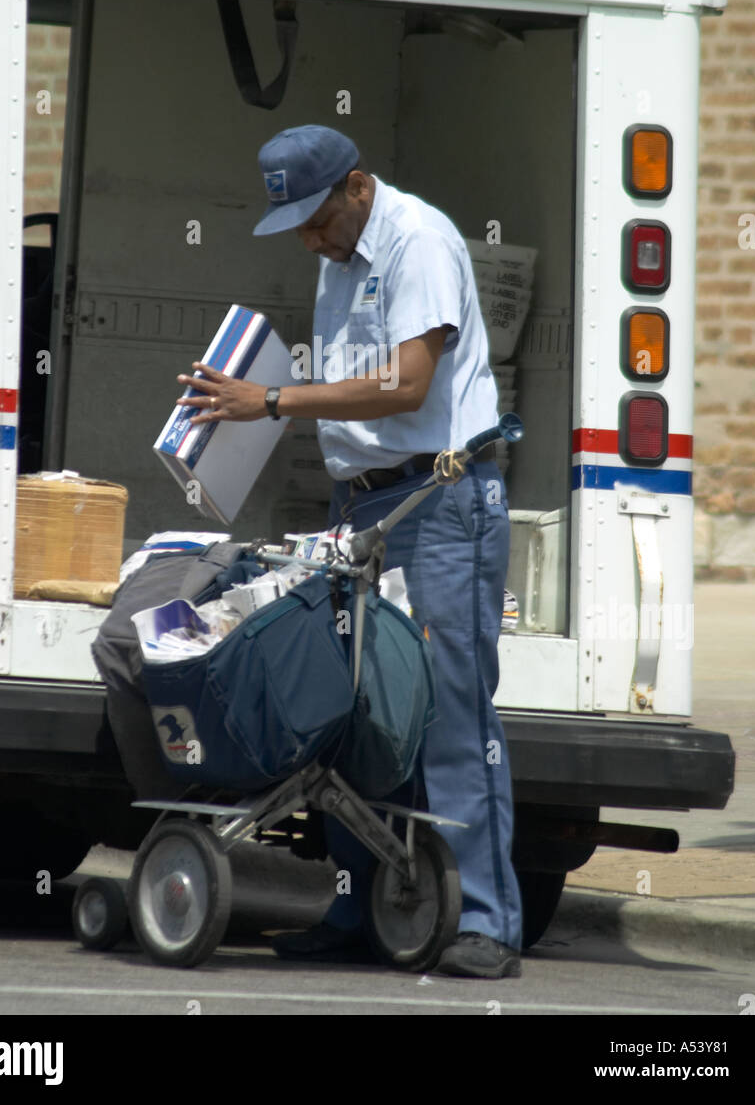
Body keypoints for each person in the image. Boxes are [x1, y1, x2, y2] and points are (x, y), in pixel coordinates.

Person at [176, 124, 522, 979]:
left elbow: (407, 383)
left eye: (316, 216)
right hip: (366, 503)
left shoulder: (420, 243)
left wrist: (274, 400)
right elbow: (358, 389)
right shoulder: (340, 256)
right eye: (293, 222)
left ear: (357, 187)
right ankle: (352, 900)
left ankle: (483, 921)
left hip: (438, 501)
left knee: (446, 710)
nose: (308, 237)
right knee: (350, 706)